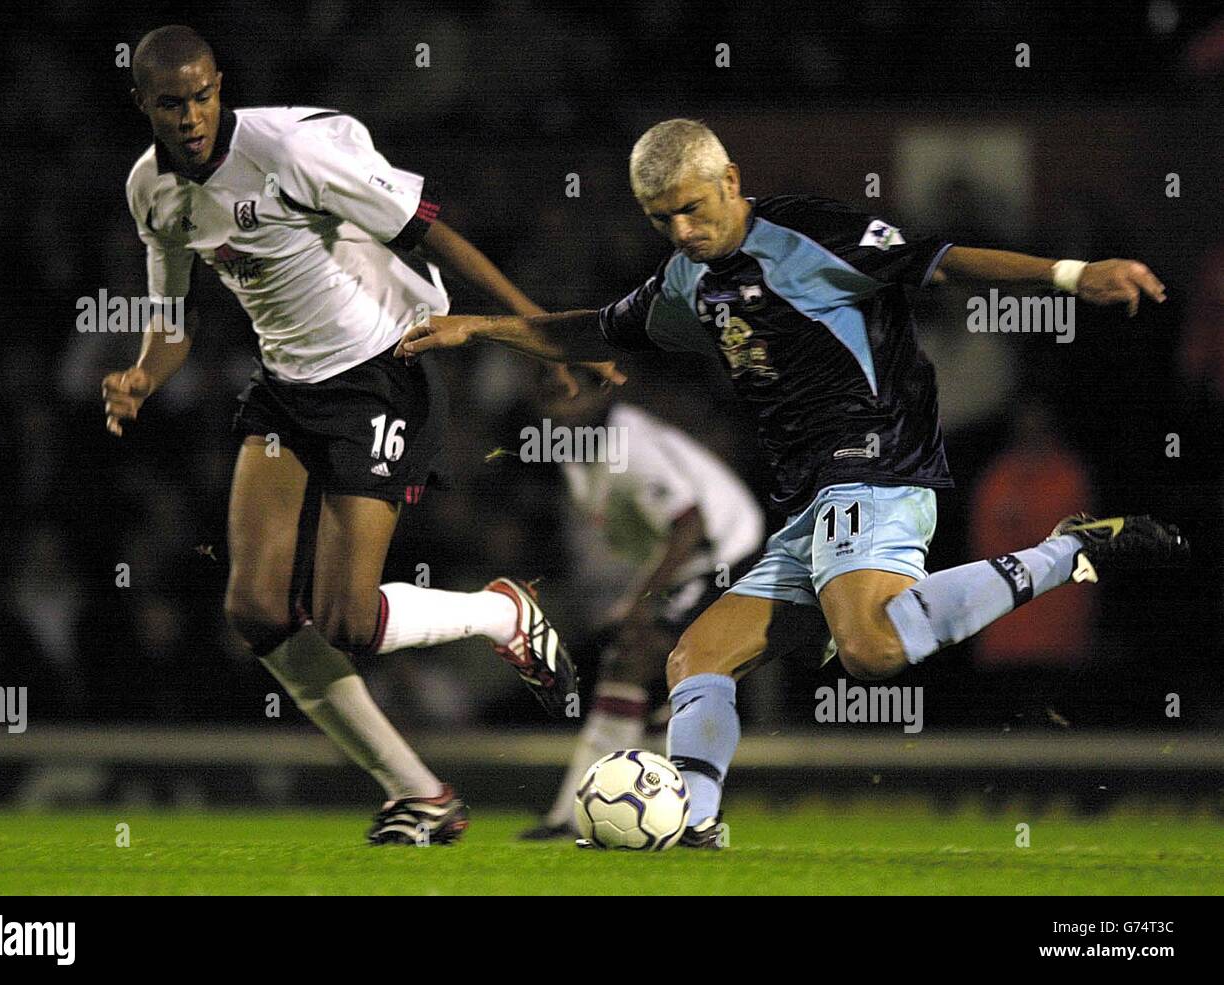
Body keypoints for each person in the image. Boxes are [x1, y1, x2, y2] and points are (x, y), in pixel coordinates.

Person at [396, 118, 1190, 847]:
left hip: (877, 465)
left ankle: (1064, 554)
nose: (681, 230)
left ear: (732, 181)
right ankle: (696, 821)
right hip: (808, 501)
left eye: (693, 208)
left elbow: (939, 263)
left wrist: (1070, 273)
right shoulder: (687, 280)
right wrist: (484, 325)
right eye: (661, 218)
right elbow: (598, 327)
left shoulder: (814, 234)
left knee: (871, 648)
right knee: (695, 659)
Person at [103, 25, 587, 845]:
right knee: (255, 610)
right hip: (285, 391)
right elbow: (170, 322)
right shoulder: (151, 188)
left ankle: (501, 614)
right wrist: (145, 374)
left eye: (203, 96)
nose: (191, 116)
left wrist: (537, 330)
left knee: (347, 622)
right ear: (142, 104)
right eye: (170, 103)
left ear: (222, 86)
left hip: (378, 376)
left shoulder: (288, 150)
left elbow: (429, 229)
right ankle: (419, 794)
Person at [518, 370, 765, 839]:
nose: (560, 409)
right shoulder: (578, 451)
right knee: (641, 668)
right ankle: (593, 810)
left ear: (602, 393)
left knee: (654, 662)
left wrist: (639, 602)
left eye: (571, 395)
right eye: (551, 396)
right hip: (693, 561)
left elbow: (689, 526)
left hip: (727, 553)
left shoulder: (628, 447)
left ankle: (678, 811)